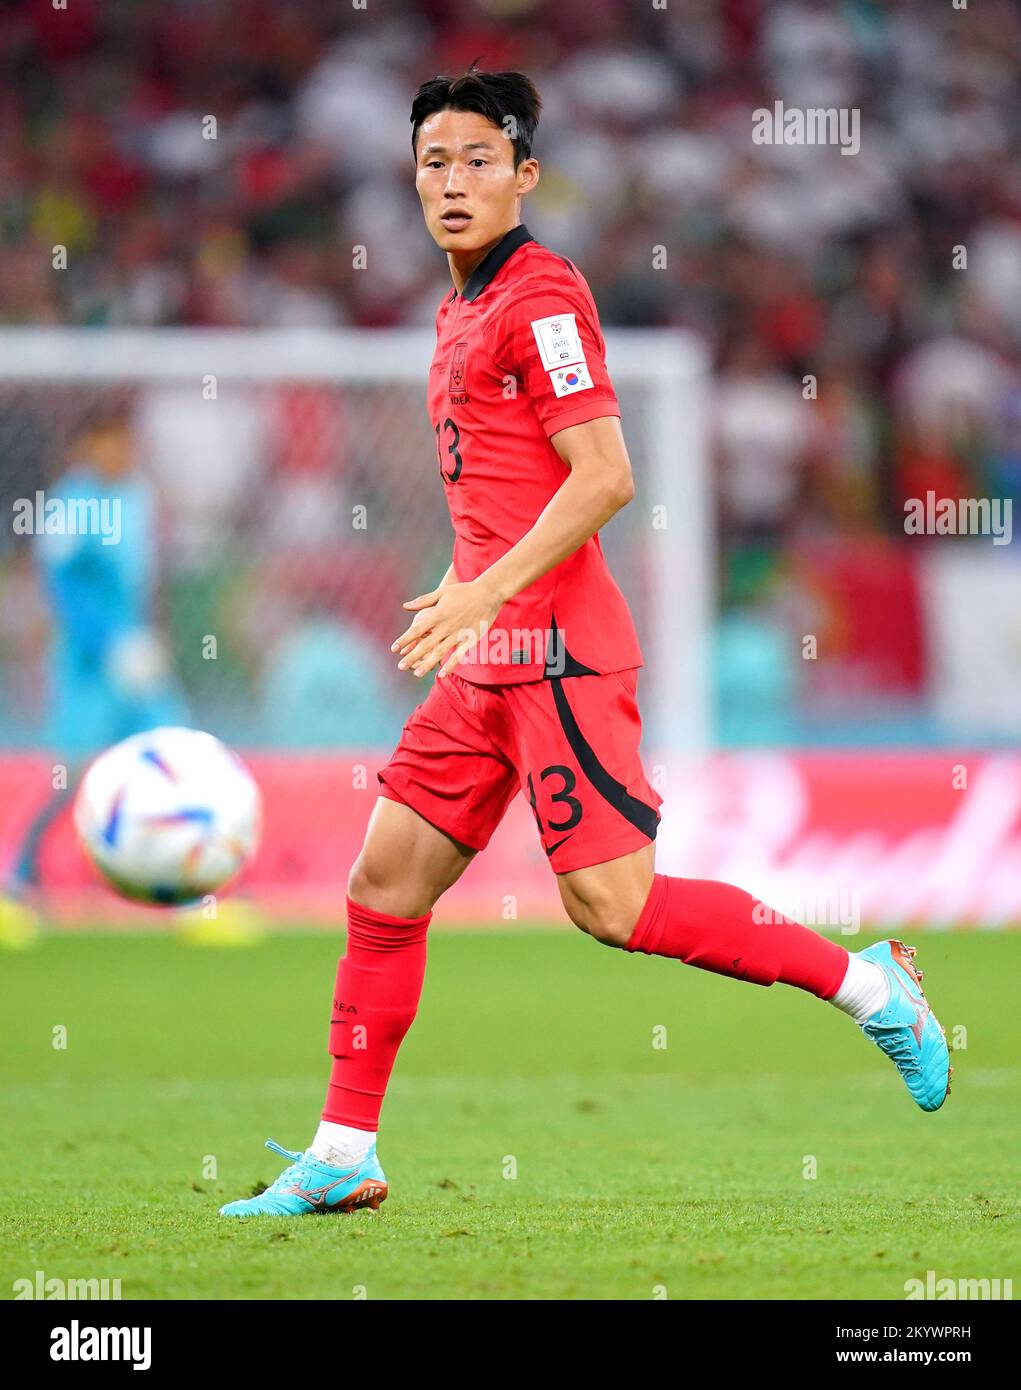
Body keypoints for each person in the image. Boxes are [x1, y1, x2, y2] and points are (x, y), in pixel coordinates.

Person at [220, 69, 950, 1219]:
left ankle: (870, 985)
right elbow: (507, 488)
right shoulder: (461, 305)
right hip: (484, 657)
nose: (451, 182)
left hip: (559, 652)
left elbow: (606, 476)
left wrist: (489, 591)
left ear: (525, 175)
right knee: (383, 883)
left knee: (614, 908)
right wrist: (462, 586)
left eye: (475, 160)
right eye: (432, 163)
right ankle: (344, 1149)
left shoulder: (542, 295)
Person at [0, 406, 185, 942]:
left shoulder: (138, 497)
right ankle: (17, 882)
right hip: (88, 666)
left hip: (138, 658)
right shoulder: (70, 504)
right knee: (70, 775)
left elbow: (146, 579)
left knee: (176, 758)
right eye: (112, 443)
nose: (122, 453)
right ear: (88, 445)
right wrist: (110, 645)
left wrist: (151, 638)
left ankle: (197, 895)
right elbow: (62, 589)